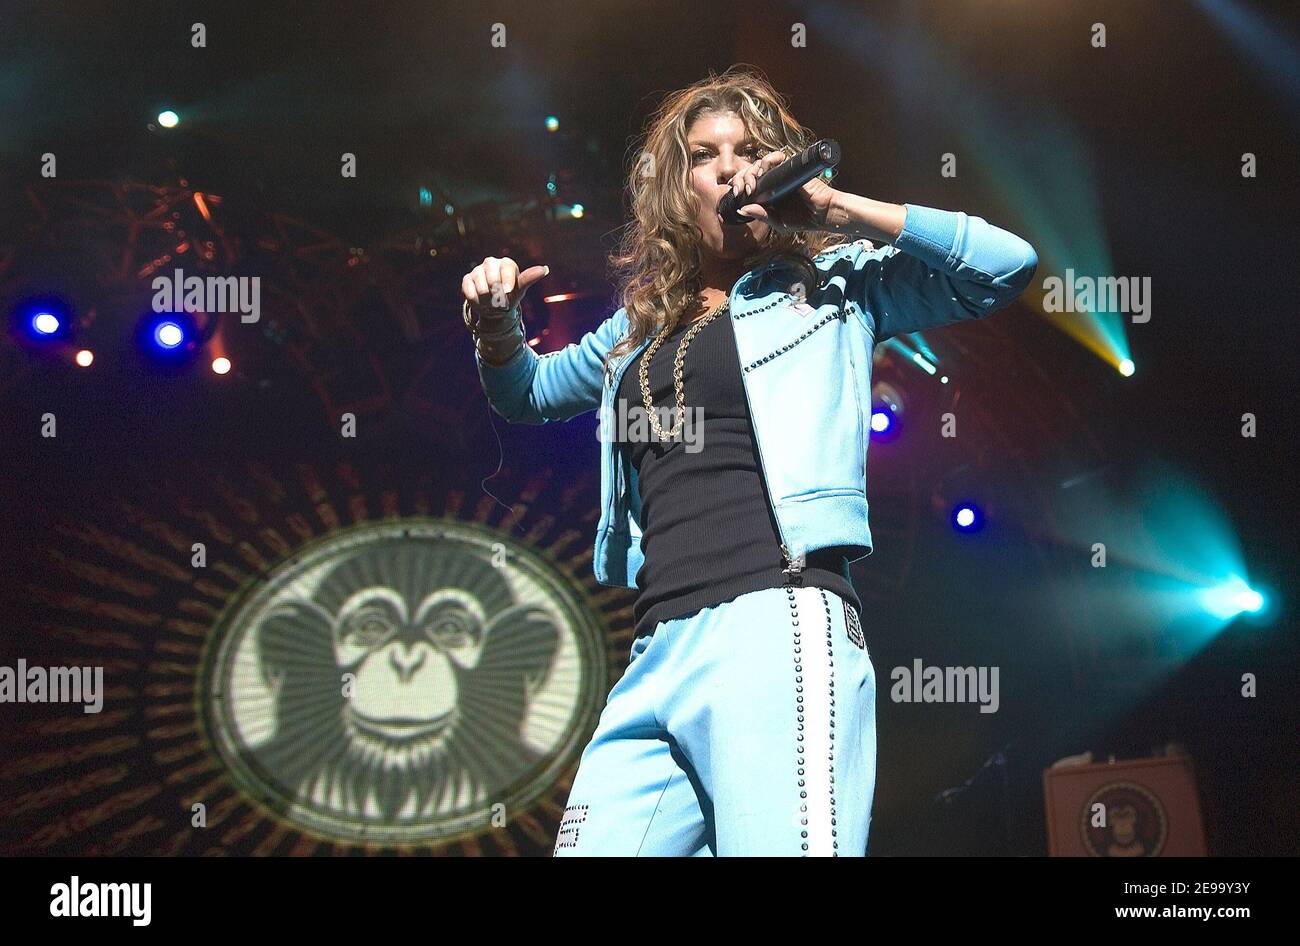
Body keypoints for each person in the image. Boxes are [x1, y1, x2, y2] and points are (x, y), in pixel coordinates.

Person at [460, 66, 1037, 856]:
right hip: (659, 644)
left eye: (750, 150)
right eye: (705, 154)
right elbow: (526, 392)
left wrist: (836, 208)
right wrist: (496, 325)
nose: (729, 168)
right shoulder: (633, 330)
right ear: (678, 182)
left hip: (778, 620)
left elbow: (1006, 266)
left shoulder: (835, 290)